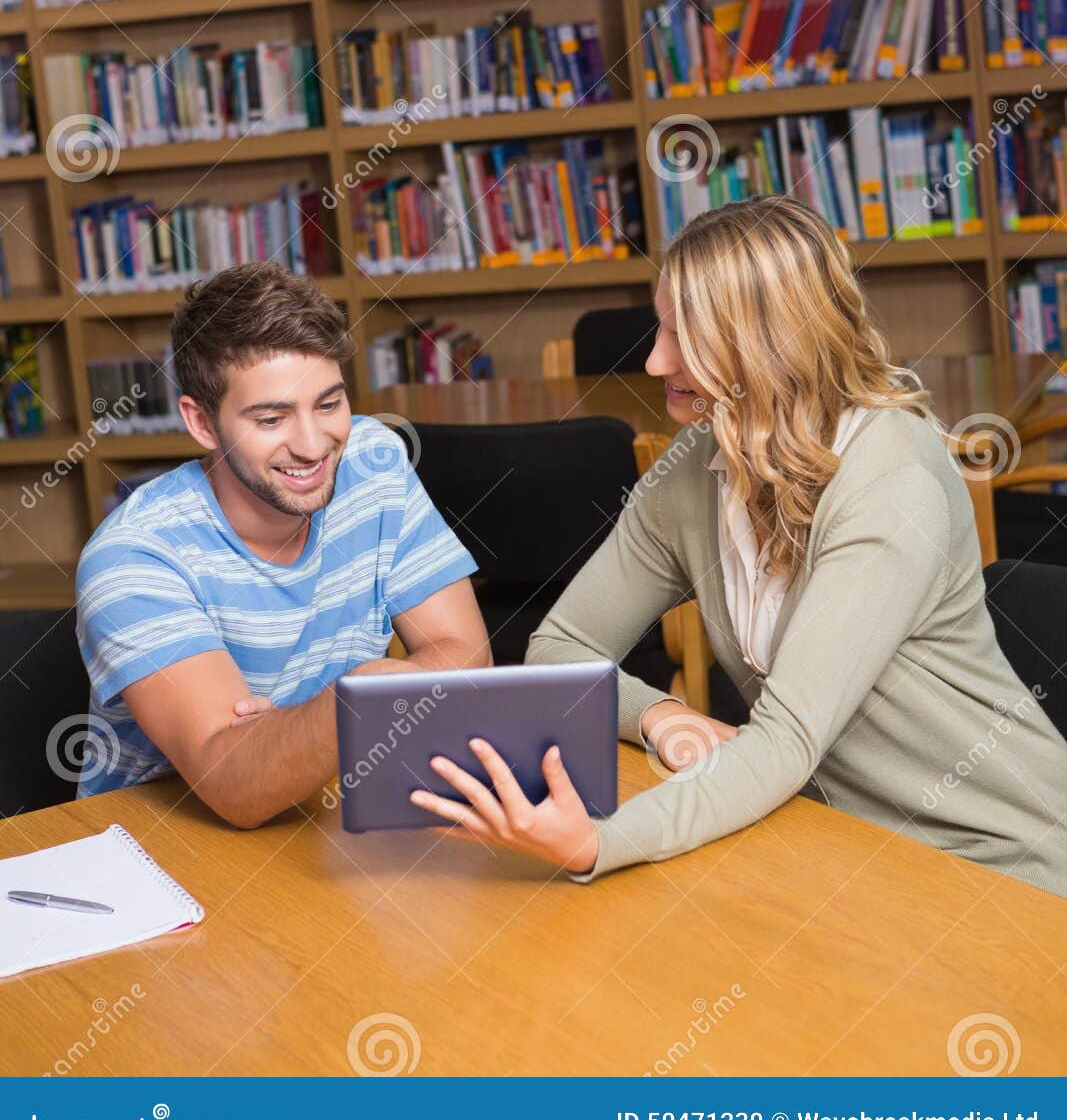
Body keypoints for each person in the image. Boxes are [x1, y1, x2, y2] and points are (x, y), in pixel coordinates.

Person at [411, 196, 1067, 896]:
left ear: (769, 339)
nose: (655, 357)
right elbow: (560, 650)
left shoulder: (890, 478)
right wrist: (661, 715)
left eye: (682, 333)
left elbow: (784, 742)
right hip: (844, 843)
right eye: (659, 326)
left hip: (998, 861)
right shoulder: (694, 467)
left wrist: (598, 843)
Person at [75, 263, 487, 826]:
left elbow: (465, 654)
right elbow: (236, 786)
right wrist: (358, 698)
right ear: (200, 422)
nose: (314, 446)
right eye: (271, 418)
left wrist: (288, 735)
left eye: (328, 404)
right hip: (164, 848)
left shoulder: (373, 459)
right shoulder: (133, 559)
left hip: (324, 809)